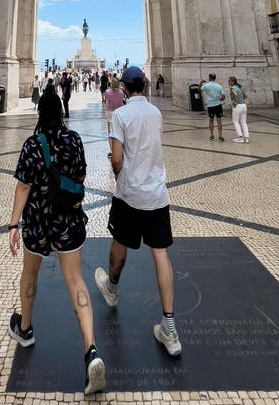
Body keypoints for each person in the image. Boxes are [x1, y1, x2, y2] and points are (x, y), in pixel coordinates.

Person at [8, 91, 105, 395]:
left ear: (39, 112)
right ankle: (91, 350)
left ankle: (25, 329)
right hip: (68, 220)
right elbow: (81, 177)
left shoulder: (32, 144)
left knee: (30, 273)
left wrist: (13, 223)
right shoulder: (74, 140)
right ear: (62, 111)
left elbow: (23, 187)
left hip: (38, 222)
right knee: (76, 280)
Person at [94, 65, 181, 357]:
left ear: (125, 88)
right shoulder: (156, 113)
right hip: (156, 193)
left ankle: (112, 288)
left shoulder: (121, 115)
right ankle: (169, 327)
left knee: (120, 242)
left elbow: (117, 159)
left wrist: (118, 171)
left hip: (130, 193)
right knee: (160, 253)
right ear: (143, 85)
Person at [104, 77, 124, 158]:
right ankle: (121, 150)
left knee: (110, 132)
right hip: (119, 112)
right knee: (120, 131)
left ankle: (113, 151)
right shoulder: (121, 92)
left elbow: (107, 100)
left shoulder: (107, 92)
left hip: (110, 112)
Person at [201, 73, 225, 141]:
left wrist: (200, 83)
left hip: (210, 105)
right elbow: (223, 97)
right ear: (215, 78)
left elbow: (199, 90)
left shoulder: (206, 85)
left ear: (209, 78)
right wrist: (219, 99)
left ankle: (212, 136)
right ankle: (220, 136)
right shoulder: (219, 86)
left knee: (211, 120)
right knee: (219, 121)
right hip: (218, 105)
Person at [228, 76, 249, 143]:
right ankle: (247, 138)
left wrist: (235, 102)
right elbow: (245, 96)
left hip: (238, 106)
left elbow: (235, 95)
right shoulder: (239, 88)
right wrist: (240, 99)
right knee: (244, 122)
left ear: (233, 81)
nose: (228, 82)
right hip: (243, 105)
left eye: (229, 81)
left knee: (235, 121)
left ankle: (240, 137)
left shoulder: (232, 88)